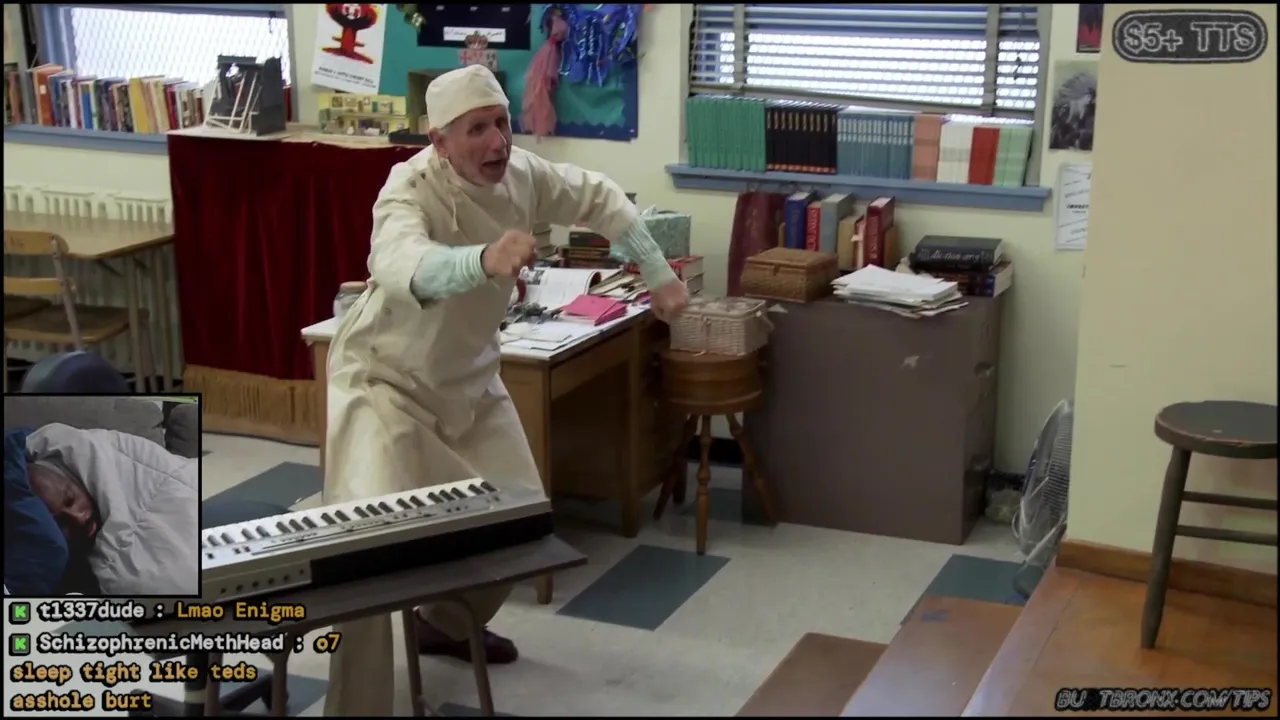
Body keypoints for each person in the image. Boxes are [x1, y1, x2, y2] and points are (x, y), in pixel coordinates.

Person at [323, 64, 689, 716]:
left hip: (470, 379)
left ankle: (444, 624)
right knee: (366, 559)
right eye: (476, 130)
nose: (497, 142)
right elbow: (400, 264)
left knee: (520, 525)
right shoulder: (407, 188)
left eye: (501, 123)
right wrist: (483, 260)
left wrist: (658, 271)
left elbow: (600, 197)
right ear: (439, 142)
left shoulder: (522, 173)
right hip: (384, 383)